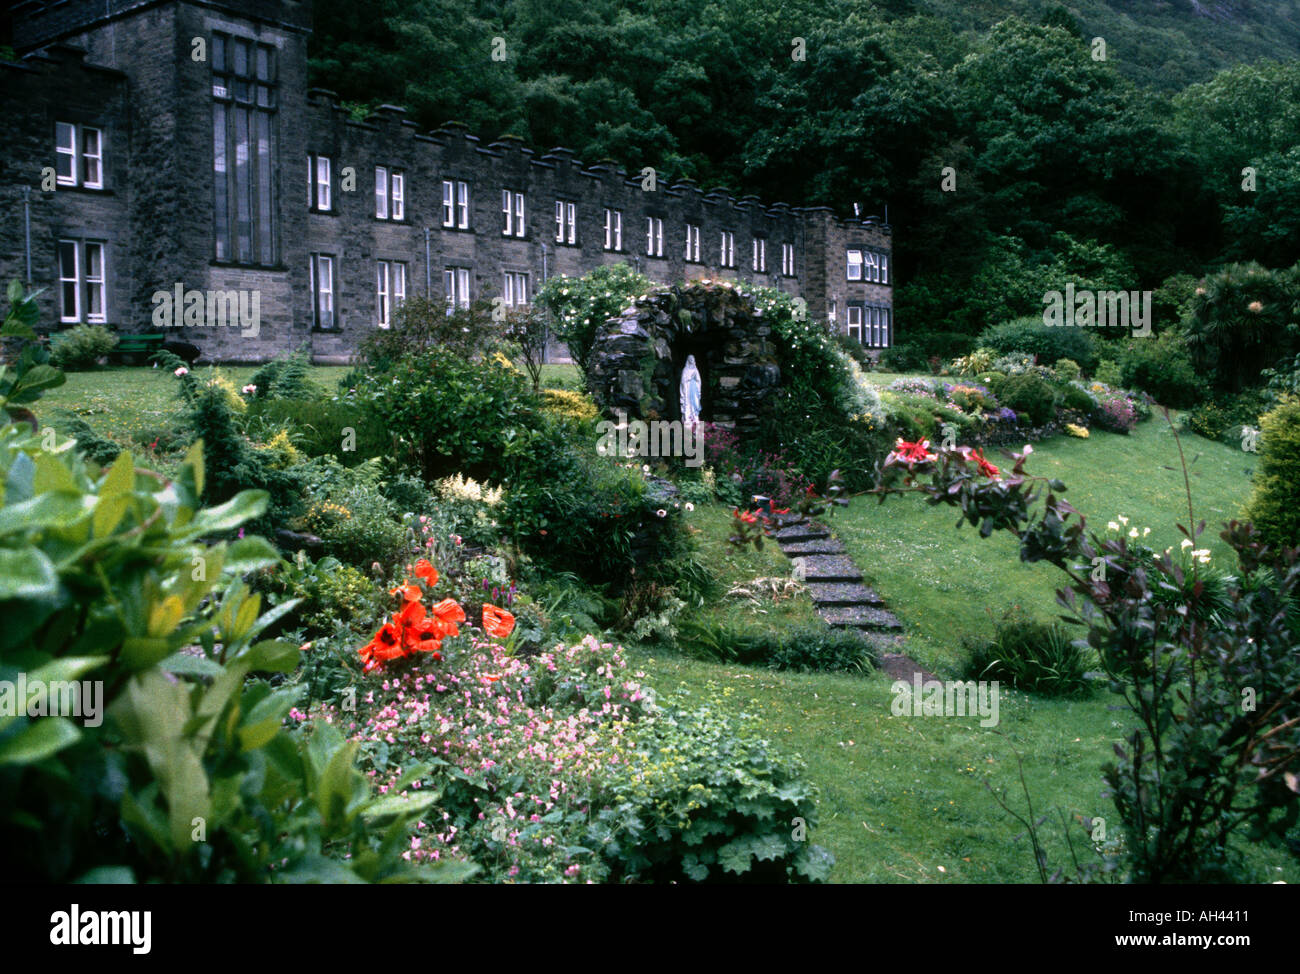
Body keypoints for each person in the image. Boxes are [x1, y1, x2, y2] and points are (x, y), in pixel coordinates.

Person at [680, 354, 702, 428]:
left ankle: (695, 417)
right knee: (687, 404)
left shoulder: (695, 370)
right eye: (690, 359)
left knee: (695, 403)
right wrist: (687, 380)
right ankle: (688, 418)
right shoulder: (685, 370)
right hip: (687, 388)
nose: (692, 360)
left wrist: (697, 388)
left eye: (693, 359)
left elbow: (698, 380)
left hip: (694, 389)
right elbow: (683, 382)